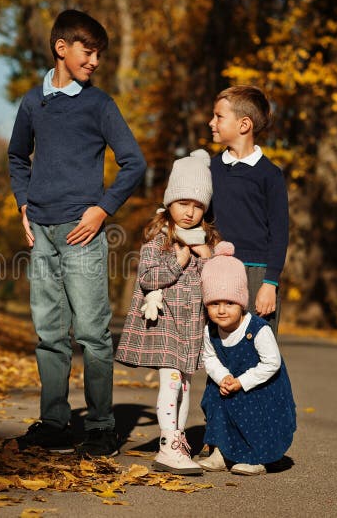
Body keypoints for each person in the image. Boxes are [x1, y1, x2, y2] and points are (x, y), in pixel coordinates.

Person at [8, 9, 146, 457]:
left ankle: (102, 426)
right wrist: (24, 204)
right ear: (61, 48)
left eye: (100, 54)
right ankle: (55, 423)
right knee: (49, 332)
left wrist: (101, 211)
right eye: (89, 52)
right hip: (41, 232)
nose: (95, 61)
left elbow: (134, 163)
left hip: (81, 233)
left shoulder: (100, 104)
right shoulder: (33, 103)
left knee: (91, 333)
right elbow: (16, 158)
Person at [115, 149, 219, 475]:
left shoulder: (207, 243)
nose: (189, 212)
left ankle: (179, 439)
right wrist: (179, 261)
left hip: (191, 327)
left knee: (185, 385)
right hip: (165, 324)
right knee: (171, 381)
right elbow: (146, 279)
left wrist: (209, 258)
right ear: (169, 202)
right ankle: (167, 445)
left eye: (197, 205)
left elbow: (218, 285)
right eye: (183, 203)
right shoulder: (157, 241)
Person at [198, 241, 296, 475]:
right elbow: (209, 358)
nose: (221, 310)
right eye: (214, 304)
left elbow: (272, 362)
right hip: (228, 381)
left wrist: (243, 382)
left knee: (255, 414)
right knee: (215, 400)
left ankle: (255, 456)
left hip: (261, 385)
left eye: (229, 303)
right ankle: (220, 450)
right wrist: (223, 377)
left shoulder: (258, 329)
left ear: (241, 303)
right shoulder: (210, 330)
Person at [208, 85, 288, 335]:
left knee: (259, 351)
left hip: (258, 274)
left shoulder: (270, 175)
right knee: (219, 349)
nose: (211, 122)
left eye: (219, 116)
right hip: (218, 269)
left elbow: (279, 232)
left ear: (244, 125)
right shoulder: (209, 169)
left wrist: (270, 283)